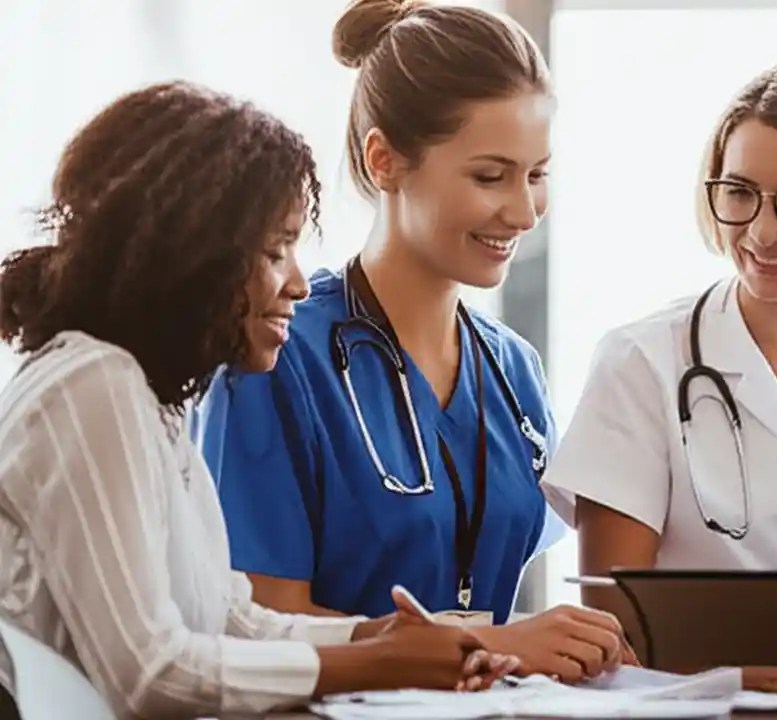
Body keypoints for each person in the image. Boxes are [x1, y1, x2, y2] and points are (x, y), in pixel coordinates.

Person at [0, 80, 517, 720]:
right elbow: (149, 672)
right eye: (276, 250)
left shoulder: (151, 401)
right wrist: (376, 663)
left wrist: (376, 636)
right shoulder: (90, 386)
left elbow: (226, 618)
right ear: (192, 255)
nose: (298, 283)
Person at [194, 0, 628, 683]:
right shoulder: (275, 358)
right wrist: (500, 648)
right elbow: (257, 623)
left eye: (537, 175)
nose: (523, 211)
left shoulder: (513, 369)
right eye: (490, 176)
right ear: (384, 159)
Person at [540, 58, 777, 675]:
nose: (763, 229)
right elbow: (617, 629)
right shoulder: (644, 361)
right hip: (691, 707)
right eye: (740, 193)